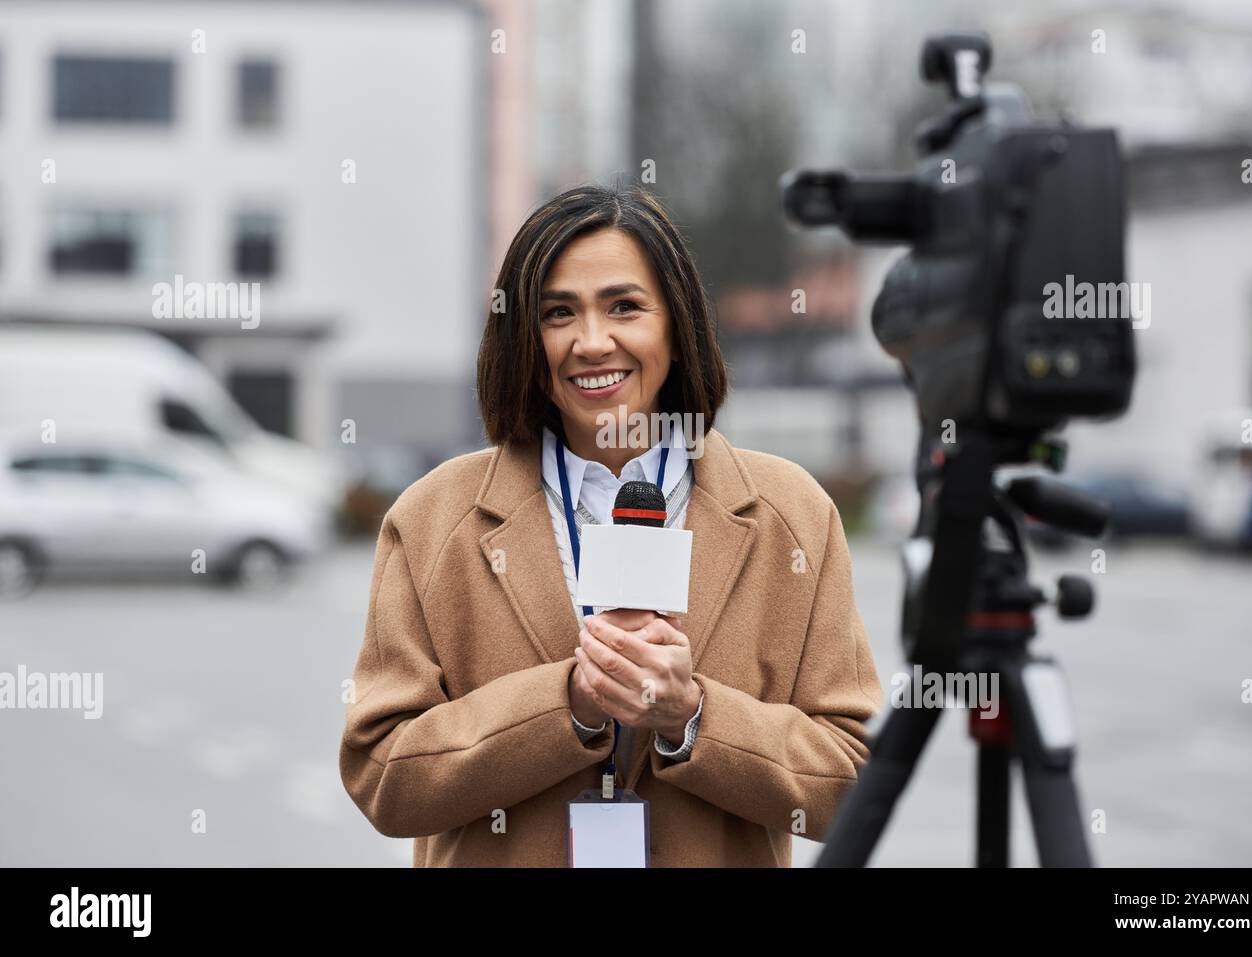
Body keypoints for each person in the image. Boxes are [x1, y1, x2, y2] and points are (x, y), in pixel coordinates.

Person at [338, 183, 883, 866]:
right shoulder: (431, 519)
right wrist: (566, 702)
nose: (592, 342)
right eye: (558, 312)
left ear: (677, 327)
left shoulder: (792, 515)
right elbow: (383, 777)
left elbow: (855, 784)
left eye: (624, 306)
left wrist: (693, 716)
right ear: (525, 342)